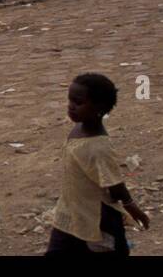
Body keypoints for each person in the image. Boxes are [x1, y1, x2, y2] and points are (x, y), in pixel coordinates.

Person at [46, 73, 150, 255]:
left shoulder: (98, 147)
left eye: (78, 102)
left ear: (99, 107)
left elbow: (115, 184)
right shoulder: (80, 128)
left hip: (98, 216)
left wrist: (133, 209)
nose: (71, 106)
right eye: (70, 100)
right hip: (71, 209)